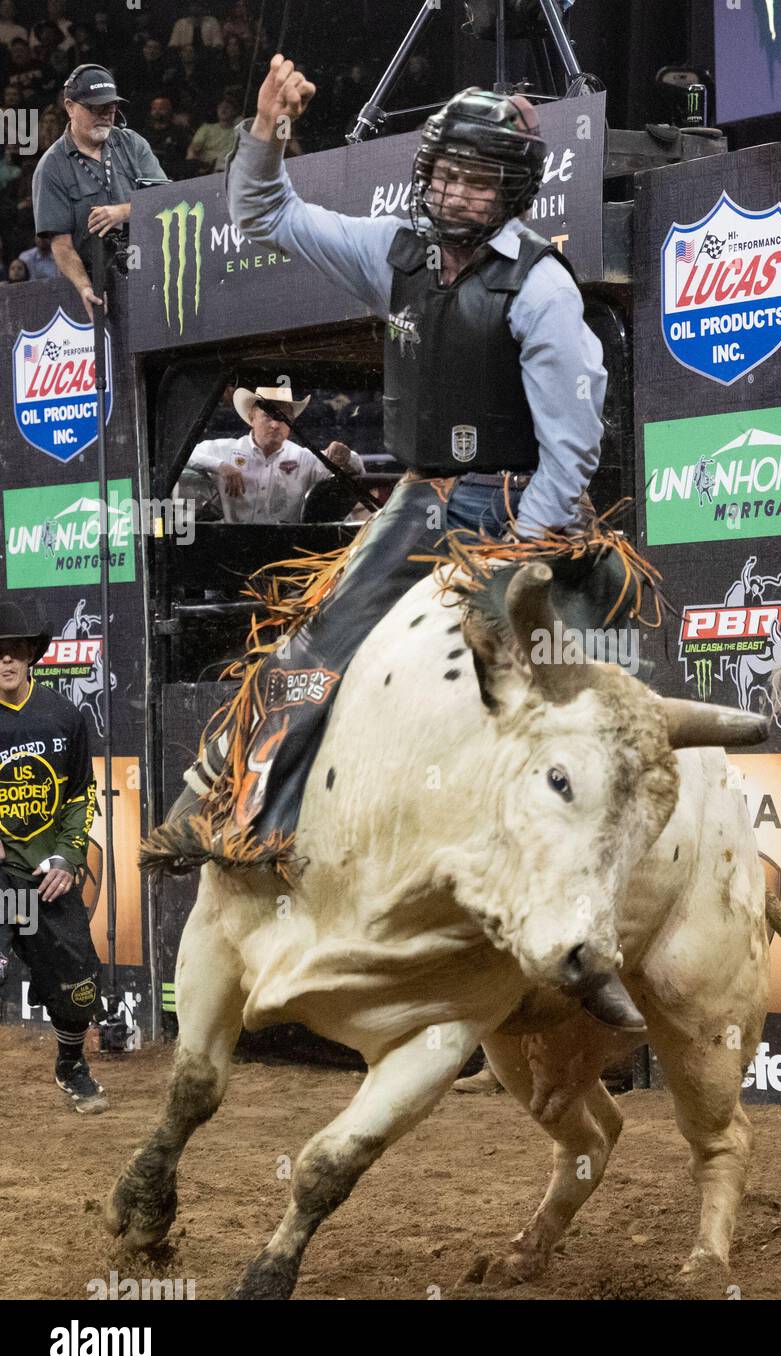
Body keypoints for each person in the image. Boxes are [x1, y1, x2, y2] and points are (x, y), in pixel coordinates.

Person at [159, 55, 609, 859]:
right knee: (311, 649)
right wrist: (268, 127)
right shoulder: (391, 254)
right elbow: (267, 212)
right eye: (447, 176)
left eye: (481, 181)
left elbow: (570, 451)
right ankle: (237, 821)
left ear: (512, 190)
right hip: (418, 500)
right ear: (424, 175)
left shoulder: (541, 288)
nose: (459, 194)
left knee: (514, 680)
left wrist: (508, 563)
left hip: (516, 506)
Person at [0, 603, 106, 1116]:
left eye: (13, 651)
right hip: (3, 884)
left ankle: (71, 1063)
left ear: (30, 657)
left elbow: (82, 797)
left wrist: (67, 857)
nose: (4, 662)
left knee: (80, 985)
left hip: (43, 882)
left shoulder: (64, 716)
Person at [31, 62, 169, 319]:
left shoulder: (132, 145)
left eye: (110, 108)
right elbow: (61, 245)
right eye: (95, 108)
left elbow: (167, 203)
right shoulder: (51, 167)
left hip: (150, 274)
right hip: (98, 283)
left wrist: (124, 212)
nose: (105, 115)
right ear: (70, 107)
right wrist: (85, 287)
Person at [185, 383, 366, 523]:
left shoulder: (303, 458)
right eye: (268, 416)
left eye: (282, 417)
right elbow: (185, 454)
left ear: (291, 422)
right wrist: (221, 466)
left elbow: (357, 470)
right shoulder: (224, 450)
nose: (275, 424)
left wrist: (346, 456)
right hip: (231, 543)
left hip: (283, 547)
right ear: (251, 419)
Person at [187, 92, 242, 174]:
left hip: (228, 169)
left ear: (234, 111)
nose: (223, 110)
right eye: (220, 107)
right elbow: (194, 148)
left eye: (227, 107)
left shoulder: (238, 132)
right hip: (205, 167)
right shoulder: (207, 128)